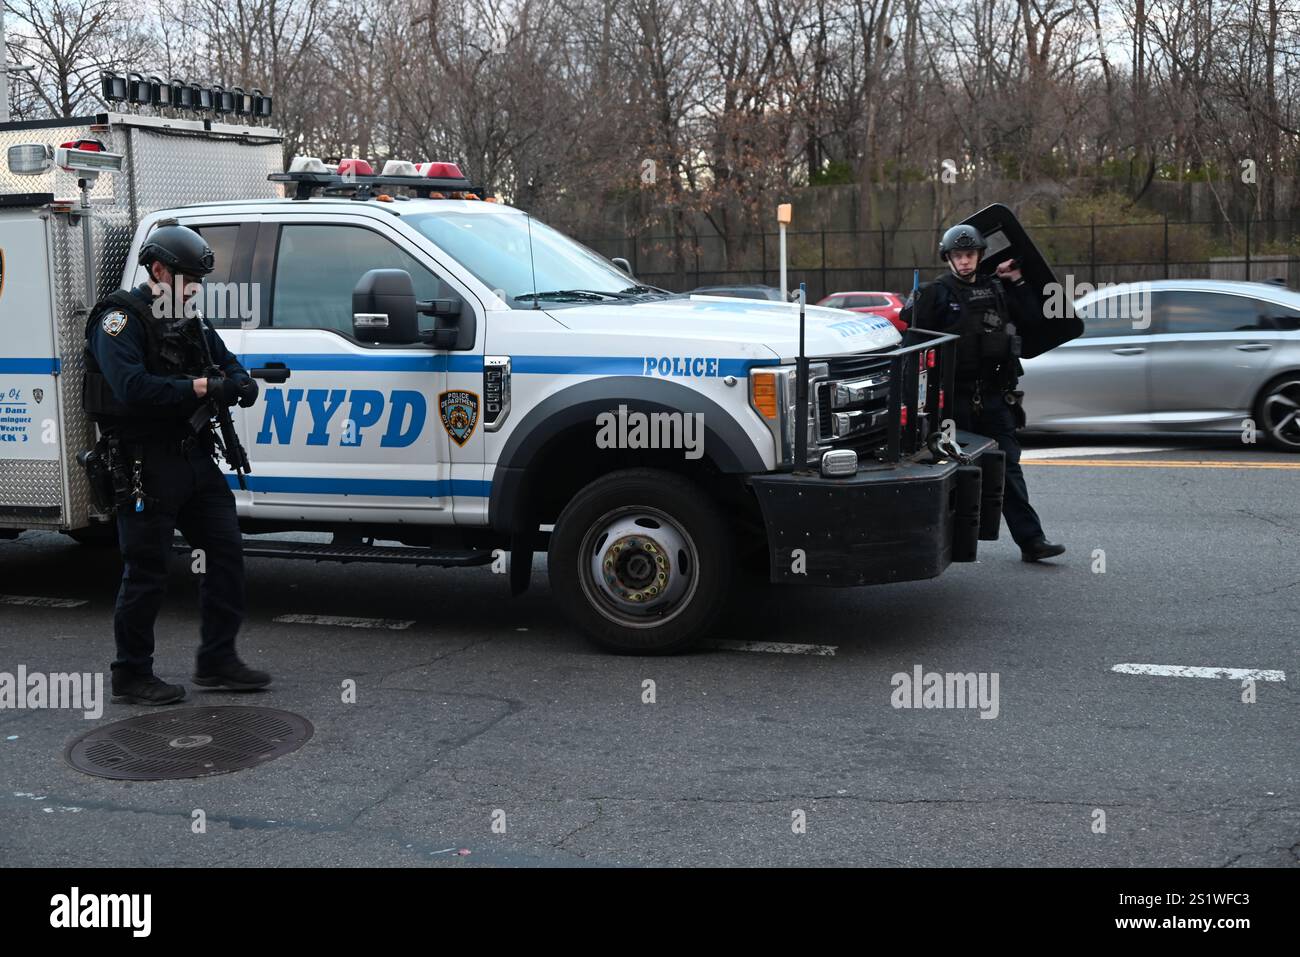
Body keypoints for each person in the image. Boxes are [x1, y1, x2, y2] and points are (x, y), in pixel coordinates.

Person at [83, 223, 269, 704]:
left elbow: (225, 361)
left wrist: (239, 382)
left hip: (192, 458)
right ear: (159, 269)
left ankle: (217, 660)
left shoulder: (189, 319)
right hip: (143, 464)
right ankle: (131, 673)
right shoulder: (119, 320)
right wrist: (205, 388)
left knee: (225, 551)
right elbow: (134, 389)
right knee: (146, 571)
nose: (194, 289)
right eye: (188, 278)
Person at [909, 223, 1065, 563]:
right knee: (946, 473)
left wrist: (1018, 281)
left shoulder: (996, 288)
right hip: (953, 401)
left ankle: (1032, 541)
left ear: (979, 255)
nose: (964, 261)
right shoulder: (937, 292)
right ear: (948, 258)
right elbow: (913, 338)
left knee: (1008, 468)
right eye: (958, 256)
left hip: (994, 398)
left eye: (969, 255)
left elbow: (1032, 322)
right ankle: (930, 548)